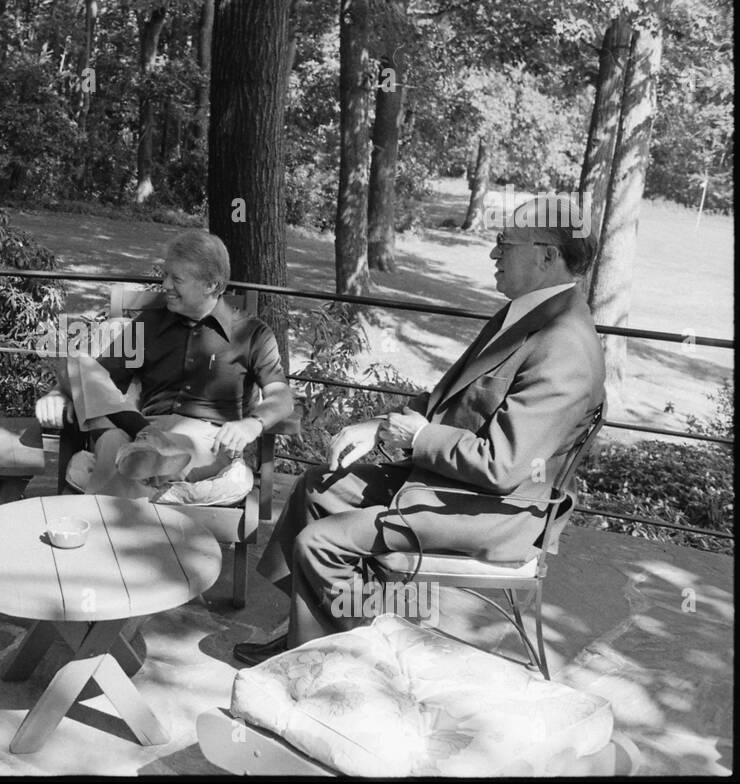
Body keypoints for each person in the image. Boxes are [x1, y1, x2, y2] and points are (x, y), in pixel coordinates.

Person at [234, 197, 605, 665]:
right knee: (315, 488)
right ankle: (315, 636)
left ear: (547, 256)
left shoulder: (564, 345)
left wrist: (417, 438)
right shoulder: (527, 313)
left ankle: (353, 660)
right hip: (458, 484)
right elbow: (447, 400)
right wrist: (375, 427)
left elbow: (504, 465)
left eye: (503, 243)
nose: (493, 254)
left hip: (494, 509)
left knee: (321, 541)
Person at [35, 232, 295, 498]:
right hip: (140, 426)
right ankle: (149, 447)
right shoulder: (148, 325)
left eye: (176, 279)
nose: (165, 284)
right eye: (166, 274)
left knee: (118, 450)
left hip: (205, 440)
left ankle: (106, 515)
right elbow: (96, 379)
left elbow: (282, 396)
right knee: (76, 365)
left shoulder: (252, 334)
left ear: (211, 285)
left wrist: (252, 424)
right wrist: (59, 391)